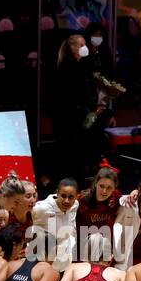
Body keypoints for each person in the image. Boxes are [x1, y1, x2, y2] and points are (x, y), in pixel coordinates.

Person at [52, 34, 98, 178]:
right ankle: (69, 178)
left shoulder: (82, 64)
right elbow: (74, 93)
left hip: (78, 113)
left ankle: (78, 175)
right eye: (80, 45)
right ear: (72, 48)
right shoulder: (67, 65)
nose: (84, 47)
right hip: (68, 115)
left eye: (85, 44)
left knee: (79, 149)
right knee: (69, 149)